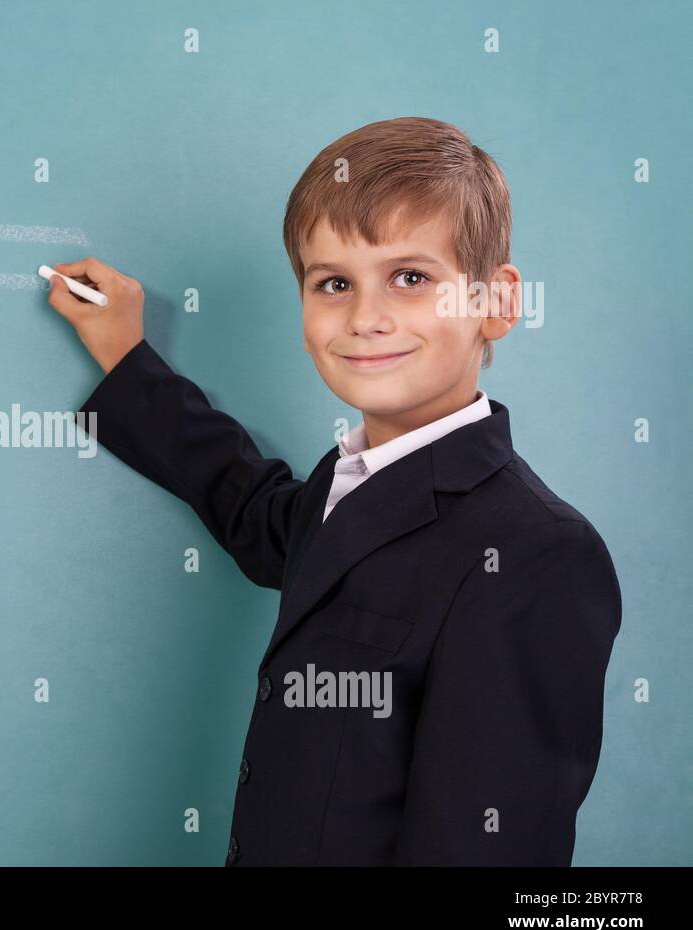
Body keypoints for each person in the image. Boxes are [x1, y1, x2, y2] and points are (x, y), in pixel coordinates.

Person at [44, 116, 623, 866]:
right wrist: (126, 355)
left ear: (497, 302)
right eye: (334, 283)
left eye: (410, 278)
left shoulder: (536, 553)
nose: (365, 317)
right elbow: (254, 509)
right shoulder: (343, 489)